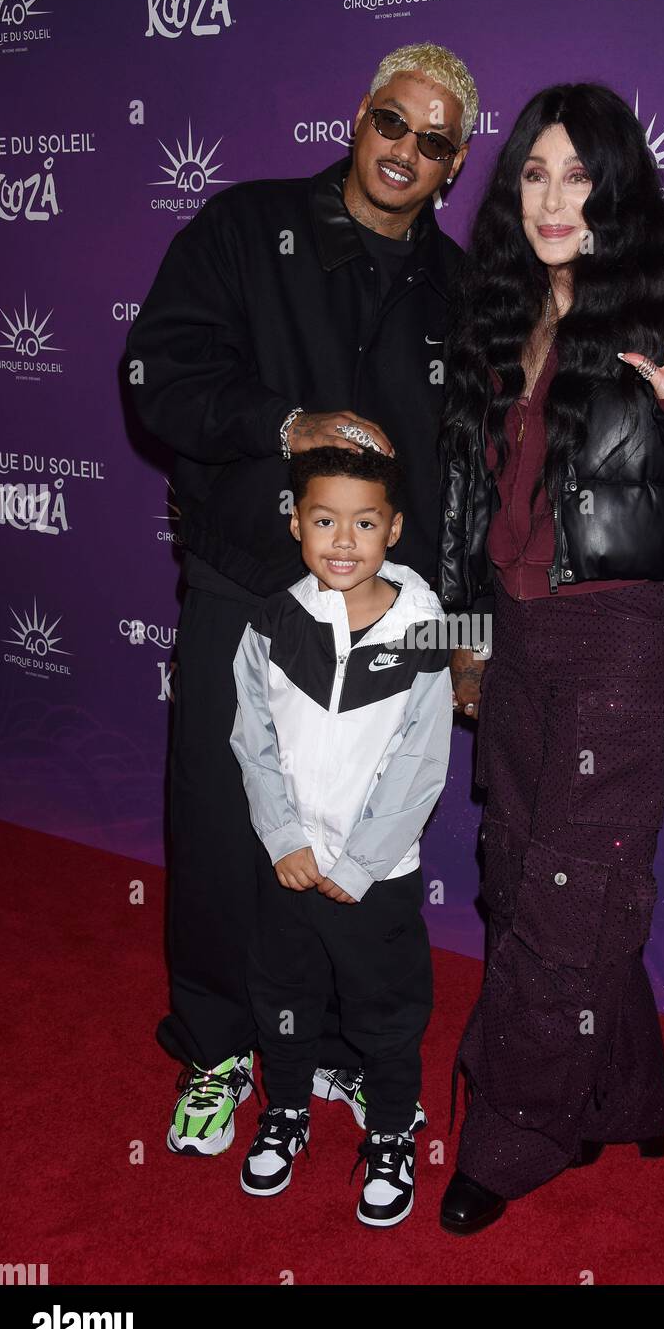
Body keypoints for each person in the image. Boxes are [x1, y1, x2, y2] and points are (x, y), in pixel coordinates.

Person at [435, 82, 664, 1234]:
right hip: (514, 634)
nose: (554, 197)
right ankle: (622, 1087)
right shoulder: (496, 313)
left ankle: (518, 1131)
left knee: (566, 891)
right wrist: (461, 642)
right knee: (519, 875)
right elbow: (459, 502)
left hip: (624, 637)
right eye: (534, 173)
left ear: (618, 181)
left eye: (579, 173)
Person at [124, 43, 478, 1156]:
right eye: (391, 122)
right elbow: (158, 377)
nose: (403, 151)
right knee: (228, 828)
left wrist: (467, 638)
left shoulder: (466, 293)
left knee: (359, 836)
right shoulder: (244, 229)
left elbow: (473, 485)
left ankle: (324, 1039)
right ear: (358, 115)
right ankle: (222, 1046)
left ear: (454, 165)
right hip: (250, 589)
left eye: (433, 141)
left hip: (389, 624)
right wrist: (285, 424)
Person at [228, 446, 452, 1226]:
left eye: (365, 522)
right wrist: (282, 837)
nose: (344, 541)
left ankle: (391, 1132)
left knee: (383, 1010)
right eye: (324, 520)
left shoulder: (426, 629)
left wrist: (360, 864)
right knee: (282, 998)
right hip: (286, 863)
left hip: (377, 877)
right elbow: (250, 741)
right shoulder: (270, 620)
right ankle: (284, 1112)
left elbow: (424, 763)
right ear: (296, 524)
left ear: (393, 529)